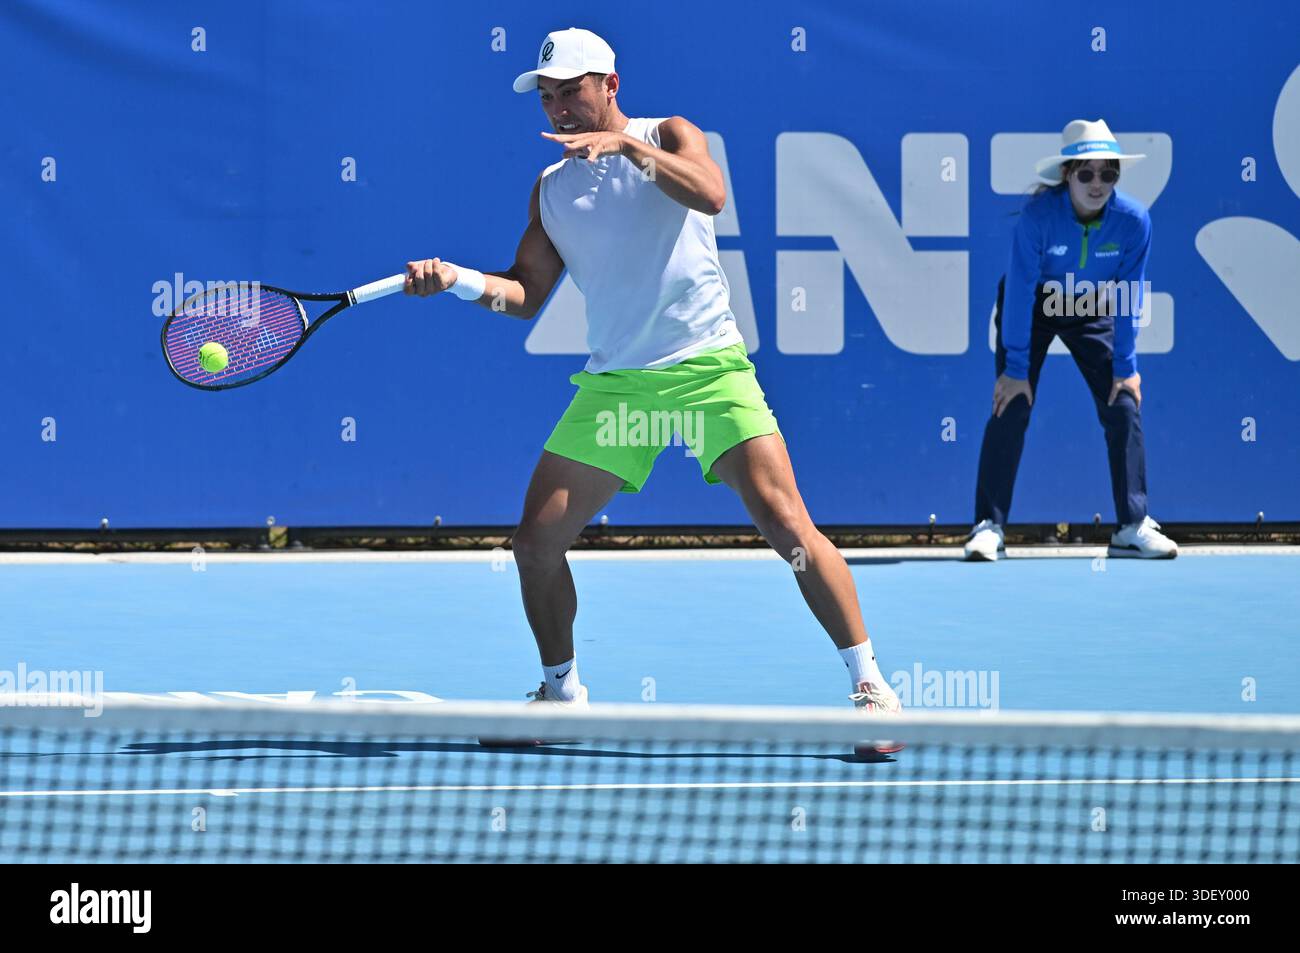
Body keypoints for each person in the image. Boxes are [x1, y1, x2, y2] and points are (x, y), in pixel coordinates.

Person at [402, 28, 901, 735]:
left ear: (610, 84)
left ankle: (871, 684)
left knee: (787, 524)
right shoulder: (551, 190)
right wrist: (454, 280)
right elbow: (524, 293)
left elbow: (712, 193)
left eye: (571, 92)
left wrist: (632, 150)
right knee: (534, 545)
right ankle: (561, 693)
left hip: (708, 371)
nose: (559, 109)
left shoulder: (668, 131)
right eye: (547, 98)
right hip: (619, 390)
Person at [965, 119, 1178, 562]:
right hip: (1035, 303)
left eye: (1109, 173)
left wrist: (1125, 367)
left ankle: (1131, 525)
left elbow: (1129, 295)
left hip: (1093, 306)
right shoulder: (1039, 217)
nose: (1097, 183)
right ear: (1068, 175)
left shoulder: (1134, 222)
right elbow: (1022, 289)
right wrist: (1016, 370)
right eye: (1087, 173)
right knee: (1013, 402)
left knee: (1123, 402)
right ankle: (989, 526)